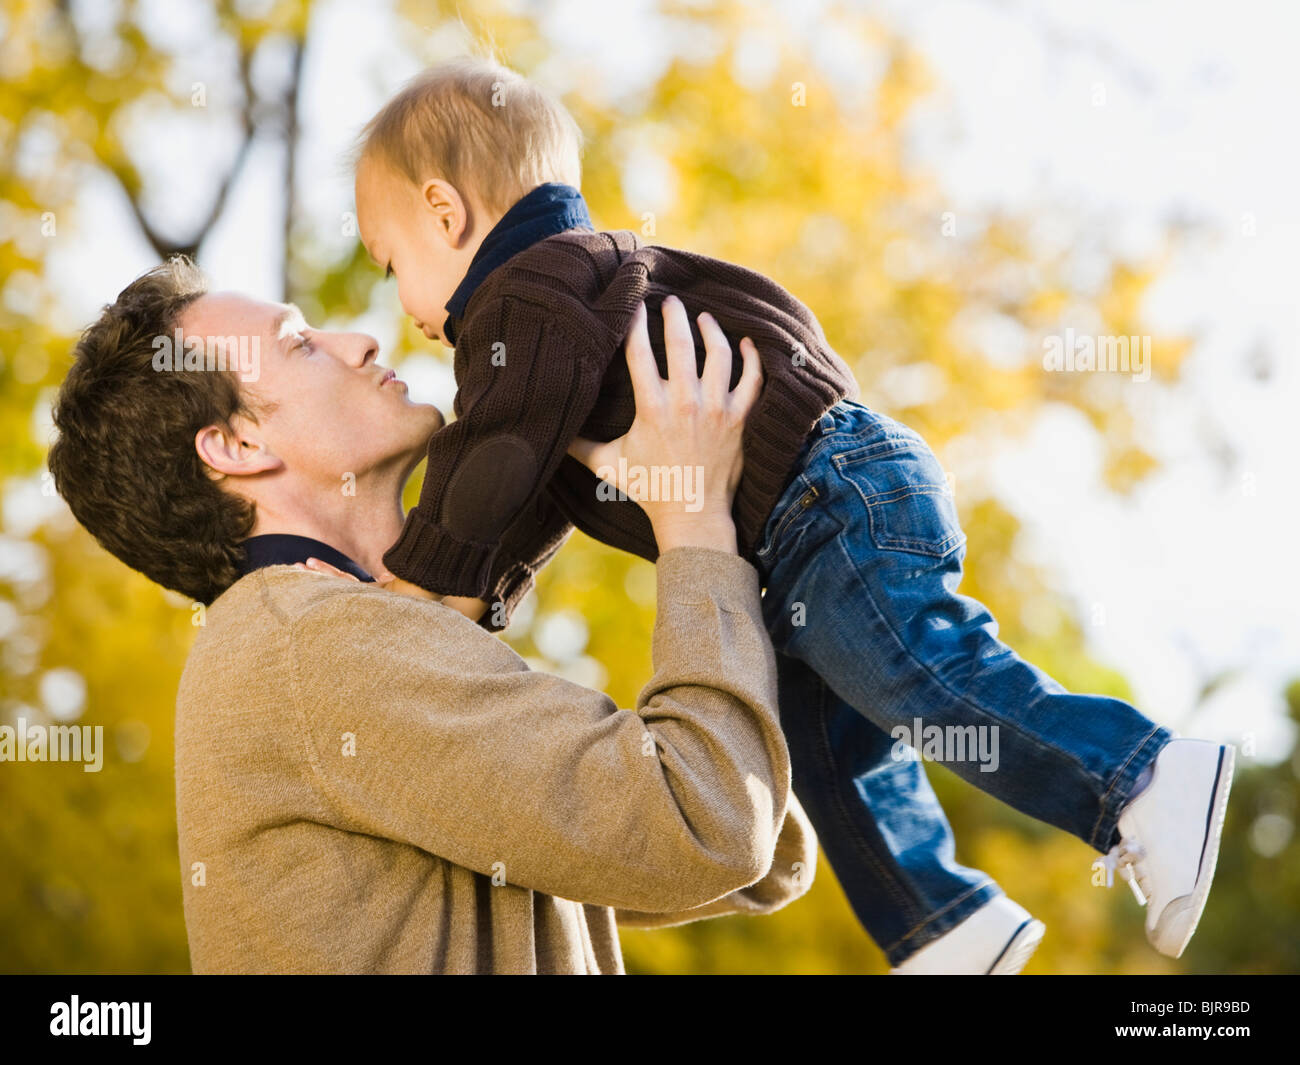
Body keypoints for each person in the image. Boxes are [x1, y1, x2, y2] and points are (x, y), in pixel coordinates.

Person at [351, 54, 1235, 972]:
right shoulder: (574, 304)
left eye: (391, 263)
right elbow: (529, 485)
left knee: (919, 677)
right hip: (802, 531)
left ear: (444, 214)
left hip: (827, 496)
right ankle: (945, 925)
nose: (400, 300)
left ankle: (1141, 775)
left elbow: (489, 457)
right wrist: (476, 597)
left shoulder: (525, 299)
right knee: (827, 746)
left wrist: (420, 580)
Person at [47, 260, 816, 974]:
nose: (359, 339)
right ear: (237, 444)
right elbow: (710, 819)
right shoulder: (311, 643)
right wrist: (695, 521)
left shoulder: (319, 644)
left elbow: (763, 853)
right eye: (300, 344)